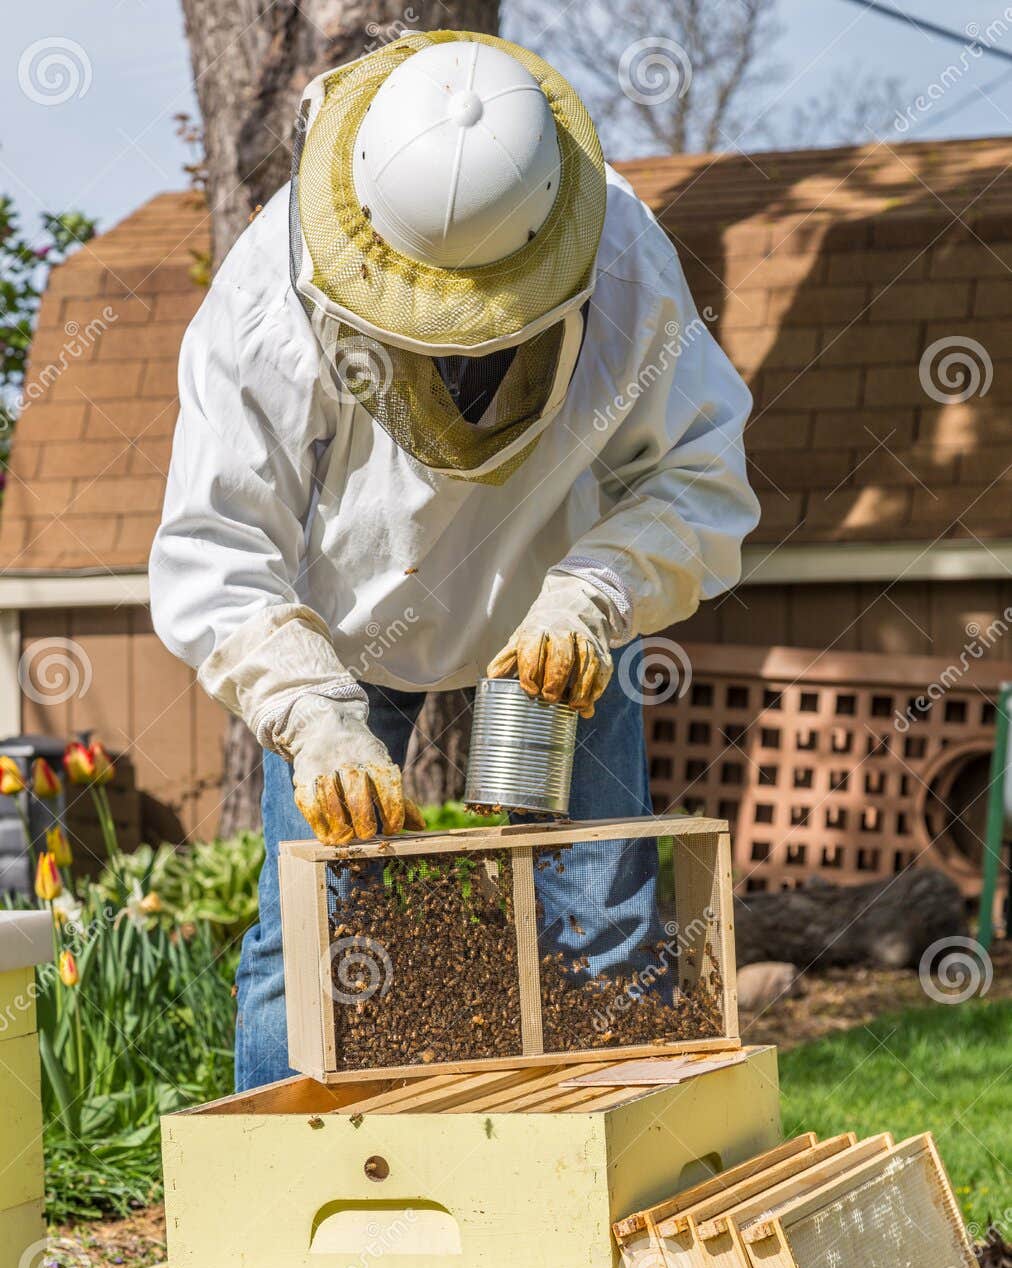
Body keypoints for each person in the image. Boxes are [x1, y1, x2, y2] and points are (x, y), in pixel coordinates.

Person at [149, 30, 759, 1092]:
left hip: (558, 626)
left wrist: (593, 592)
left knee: (605, 920)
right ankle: (273, 1224)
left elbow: (701, 480)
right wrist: (315, 716)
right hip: (347, 636)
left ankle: (601, 1214)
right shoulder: (263, 292)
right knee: (307, 943)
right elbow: (215, 543)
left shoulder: (619, 252)